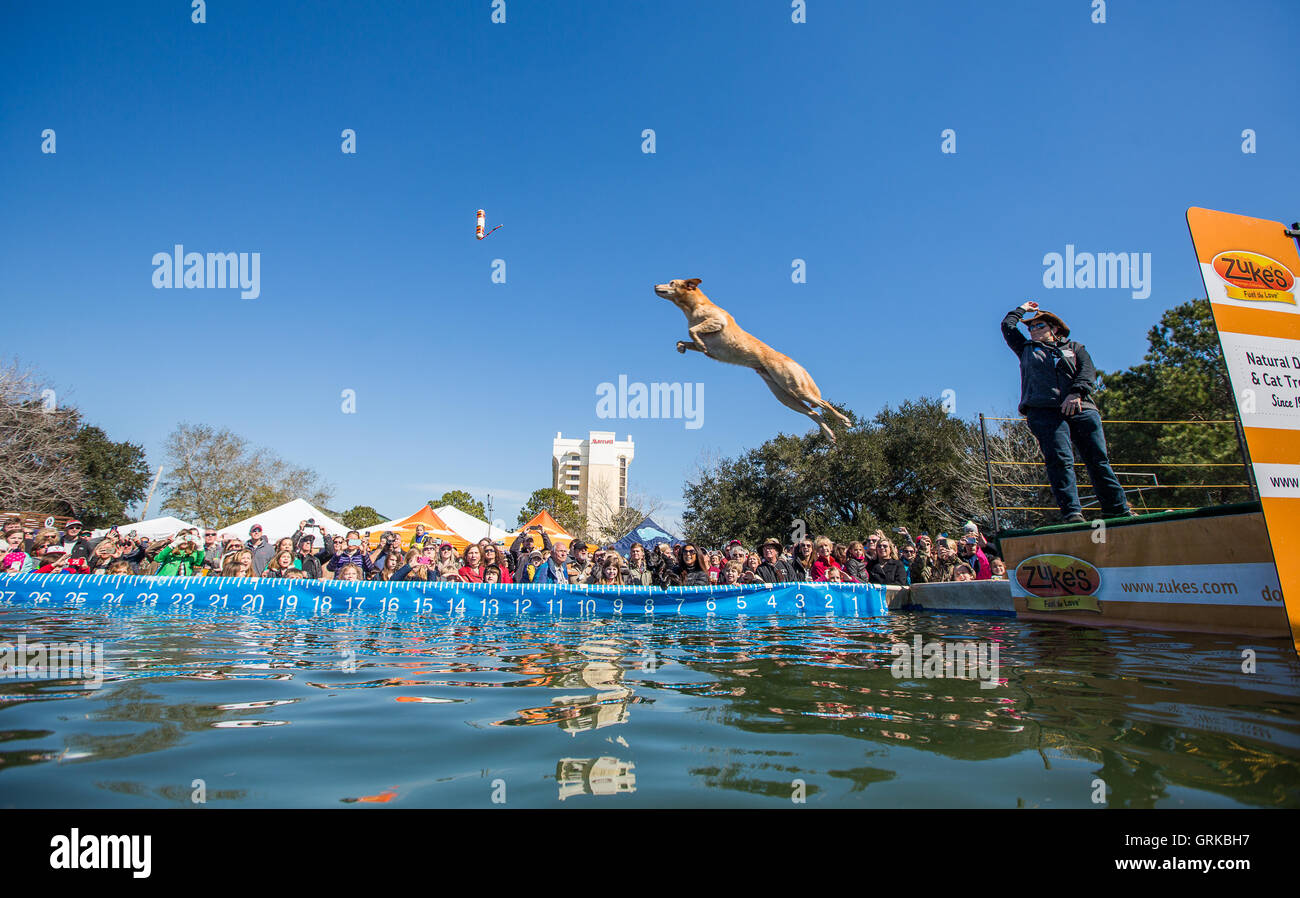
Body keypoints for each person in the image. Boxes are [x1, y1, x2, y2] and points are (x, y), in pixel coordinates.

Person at [1002, 301, 1136, 523]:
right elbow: (1007, 325)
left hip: (1081, 408)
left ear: (1054, 329)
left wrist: (1076, 393)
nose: (1033, 330)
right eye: (1031, 327)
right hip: (1045, 412)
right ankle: (1072, 512)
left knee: (1098, 459)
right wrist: (1023, 308)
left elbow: (1088, 372)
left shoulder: (1075, 348)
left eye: (1039, 325)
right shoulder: (1026, 349)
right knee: (1060, 461)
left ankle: (1116, 508)